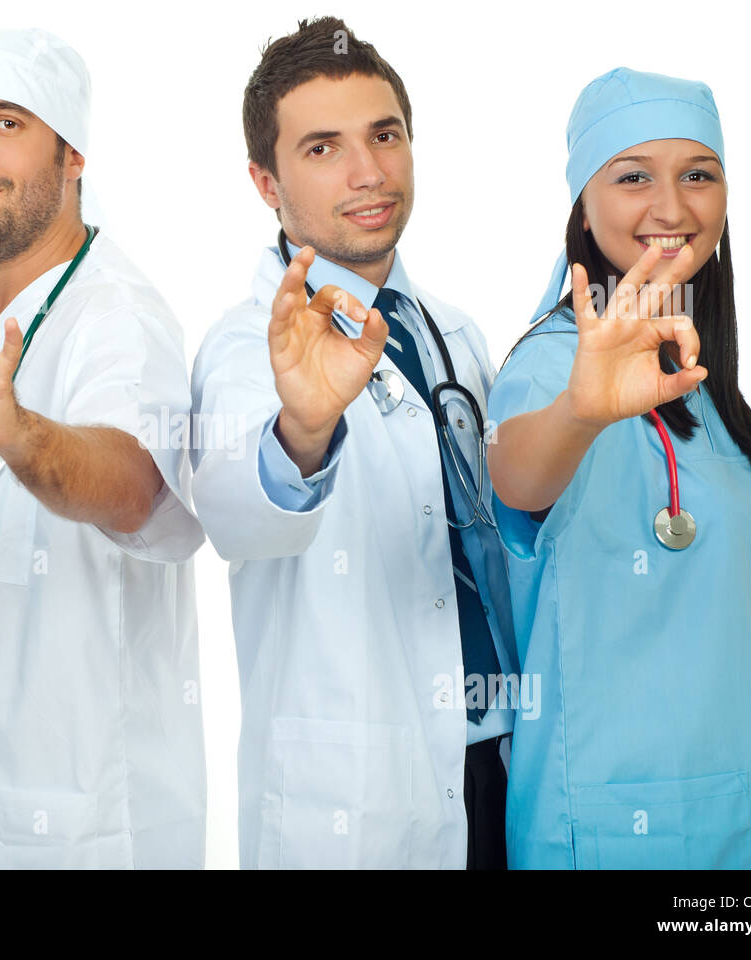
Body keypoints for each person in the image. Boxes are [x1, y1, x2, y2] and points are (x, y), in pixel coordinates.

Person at [191, 17, 517, 869]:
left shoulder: (455, 333)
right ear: (266, 180)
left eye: (385, 136)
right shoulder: (244, 348)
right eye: (322, 148)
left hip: (503, 758)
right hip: (360, 801)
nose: (369, 173)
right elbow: (234, 514)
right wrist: (304, 426)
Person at [0, 27, 206, 869]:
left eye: (8, 123)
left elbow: (136, 485)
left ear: (73, 157)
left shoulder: (118, 320)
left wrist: (18, 433)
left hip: (89, 834)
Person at [487, 66, 751, 869]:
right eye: (633, 176)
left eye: (698, 175)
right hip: (613, 834)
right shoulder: (555, 372)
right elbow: (519, 482)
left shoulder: (704, 387)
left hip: (749, 837)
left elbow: (740, 649)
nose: (672, 208)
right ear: (584, 202)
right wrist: (581, 410)